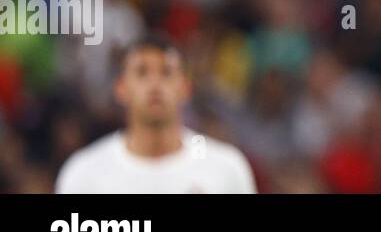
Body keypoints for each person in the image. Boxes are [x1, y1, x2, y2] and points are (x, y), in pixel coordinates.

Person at [55, 33, 256, 193]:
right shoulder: (85, 174)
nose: (155, 84)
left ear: (185, 87)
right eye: (142, 72)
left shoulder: (225, 169)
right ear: (121, 88)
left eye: (166, 72)